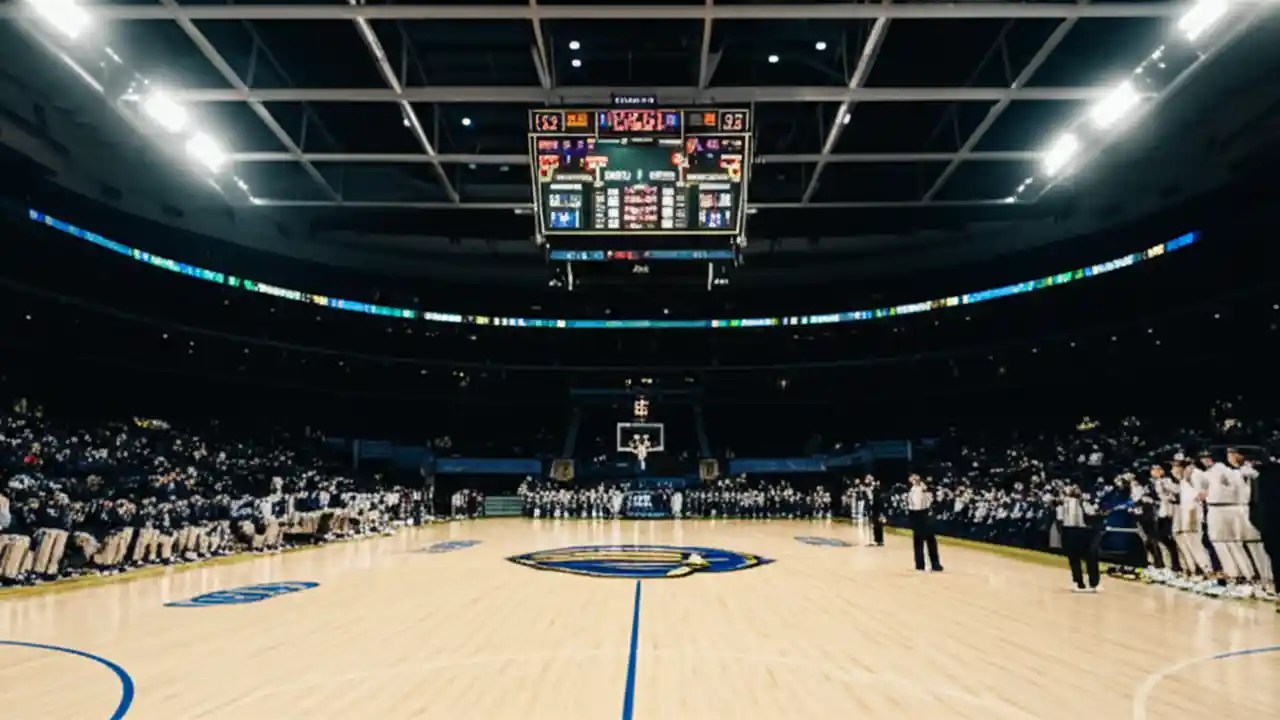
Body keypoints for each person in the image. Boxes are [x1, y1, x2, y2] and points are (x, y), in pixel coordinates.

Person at [1057, 484, 1102, 593]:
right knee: (1074, 558)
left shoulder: (1084, 501)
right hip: (1070, 529)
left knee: (1090, 557)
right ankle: (1079, 582)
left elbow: (1091, 513)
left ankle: (1093, 582)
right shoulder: (1064, 502)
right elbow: (1060, 517)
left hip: (1083, 530)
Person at [907, 474, 943, 572]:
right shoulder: (913, 489)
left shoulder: (923, 488)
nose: (913, 479)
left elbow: (930, 499)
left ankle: (933, 564)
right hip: (917, 514)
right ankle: (921, 564)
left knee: (929, 540)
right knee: (920, 541)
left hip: (923, 513)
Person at [865, 475, 885, 547]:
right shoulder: (867, 489)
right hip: (871, 509)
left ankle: (880, 540)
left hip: (876, 508)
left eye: (868, 479)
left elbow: (878, 499)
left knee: (878, 524)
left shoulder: (876, 488)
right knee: (873, 524)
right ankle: (873, 540)